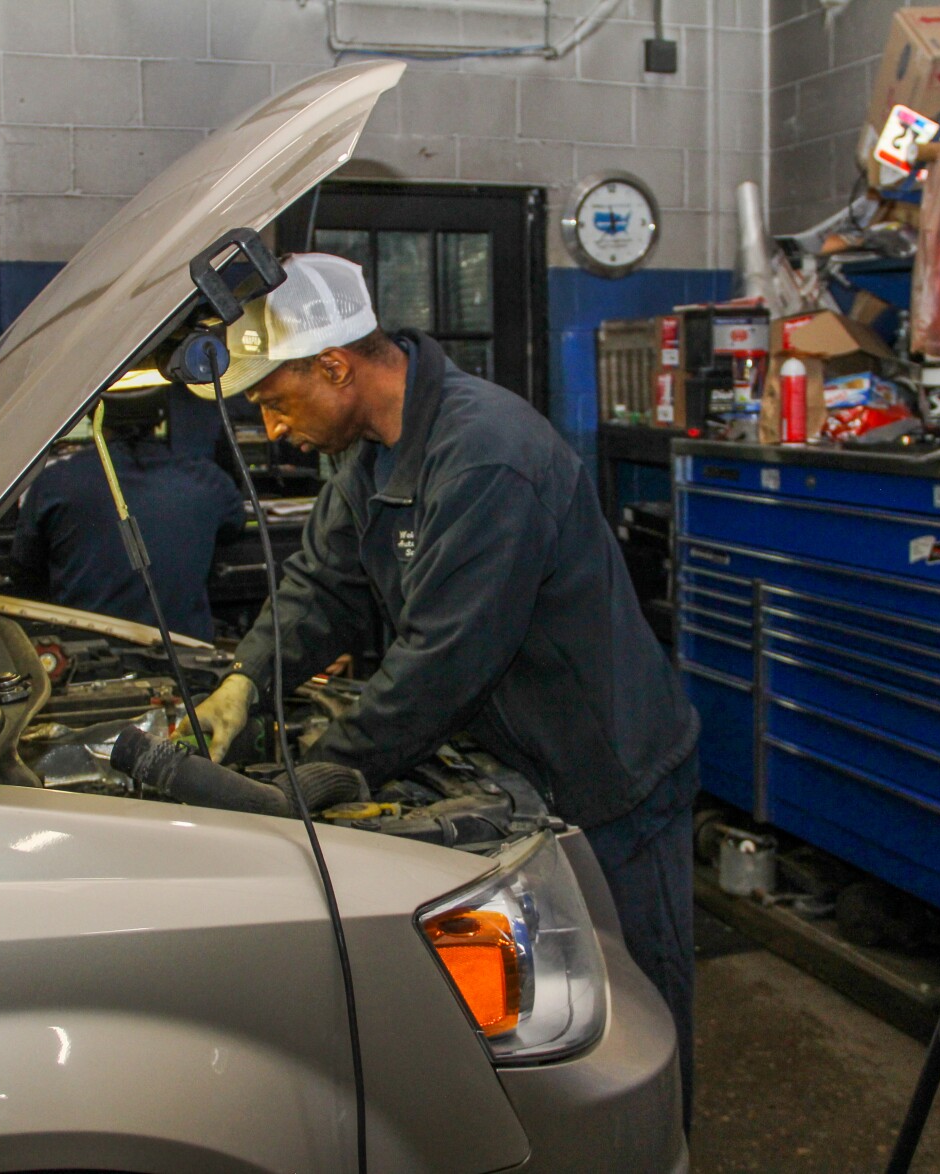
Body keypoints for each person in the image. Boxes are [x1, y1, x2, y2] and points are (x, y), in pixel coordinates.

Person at [186, 253, 701, 1127]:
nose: (271, 429)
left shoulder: (486, 456)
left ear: (335, 365)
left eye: (275, 400)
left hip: (610, 776)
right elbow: (325, 587)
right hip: (520, 762)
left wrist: (327, 768)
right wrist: (246, 682)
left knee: (636, 1027)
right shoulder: (371, 452)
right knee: (547, 1022)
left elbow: (445, 659)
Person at [10, 391, 246, 643]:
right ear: (162, 417)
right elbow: (234, 528)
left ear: (92, 415)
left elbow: (25, 566)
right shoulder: (209, 481)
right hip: (186, 656)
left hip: (85, 657)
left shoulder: (54, 482)